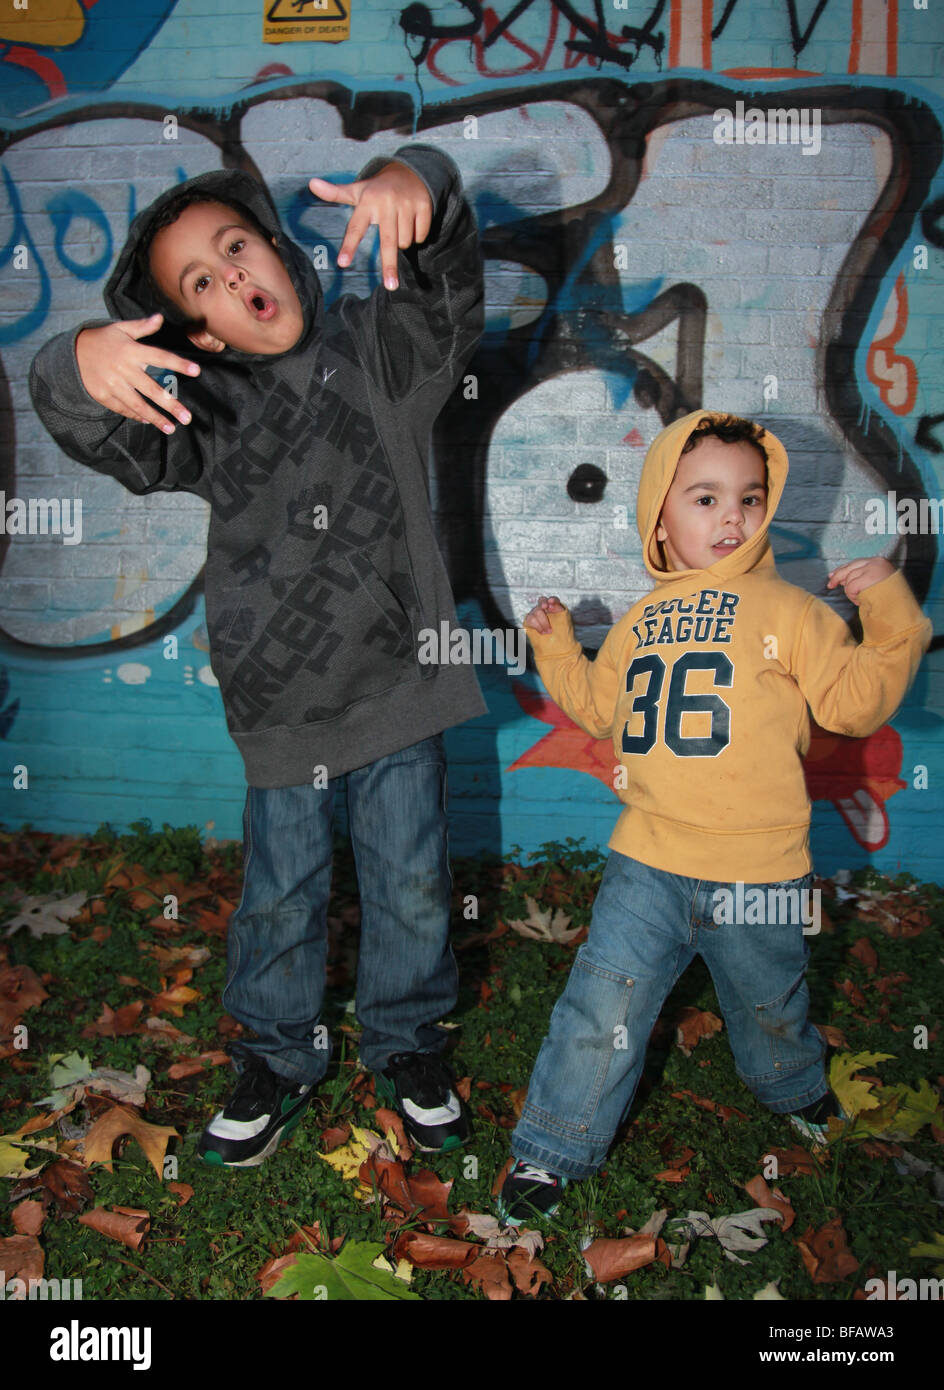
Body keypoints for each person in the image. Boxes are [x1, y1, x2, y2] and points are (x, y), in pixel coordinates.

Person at [29, 144, 487, 1167]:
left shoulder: (381, 350)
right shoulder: (202, 408)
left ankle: (407, 1042)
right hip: (282, 700)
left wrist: (424, 184)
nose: (233, 278)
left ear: (279, 250)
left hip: (402, 686)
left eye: (237, 247)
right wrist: (70, 367)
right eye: (201, 282)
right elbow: (99, 429)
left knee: (411, 881)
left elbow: (454, 290)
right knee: (282, 888)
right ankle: (278, 1055)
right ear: (194, 329)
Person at [497, 409, 931, 1224]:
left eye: (750, 498)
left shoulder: (792, 611)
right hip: (648, 859)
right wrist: (558, 649)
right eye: (705, 498)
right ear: (659, 515)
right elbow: (599, 712)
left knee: (770, 1000)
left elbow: (855, 700)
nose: (731, 516)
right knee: (604, 1000)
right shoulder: (634, 622)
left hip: (760, 867)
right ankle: (549, 1147)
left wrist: (891, 612)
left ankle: (792, 1086)